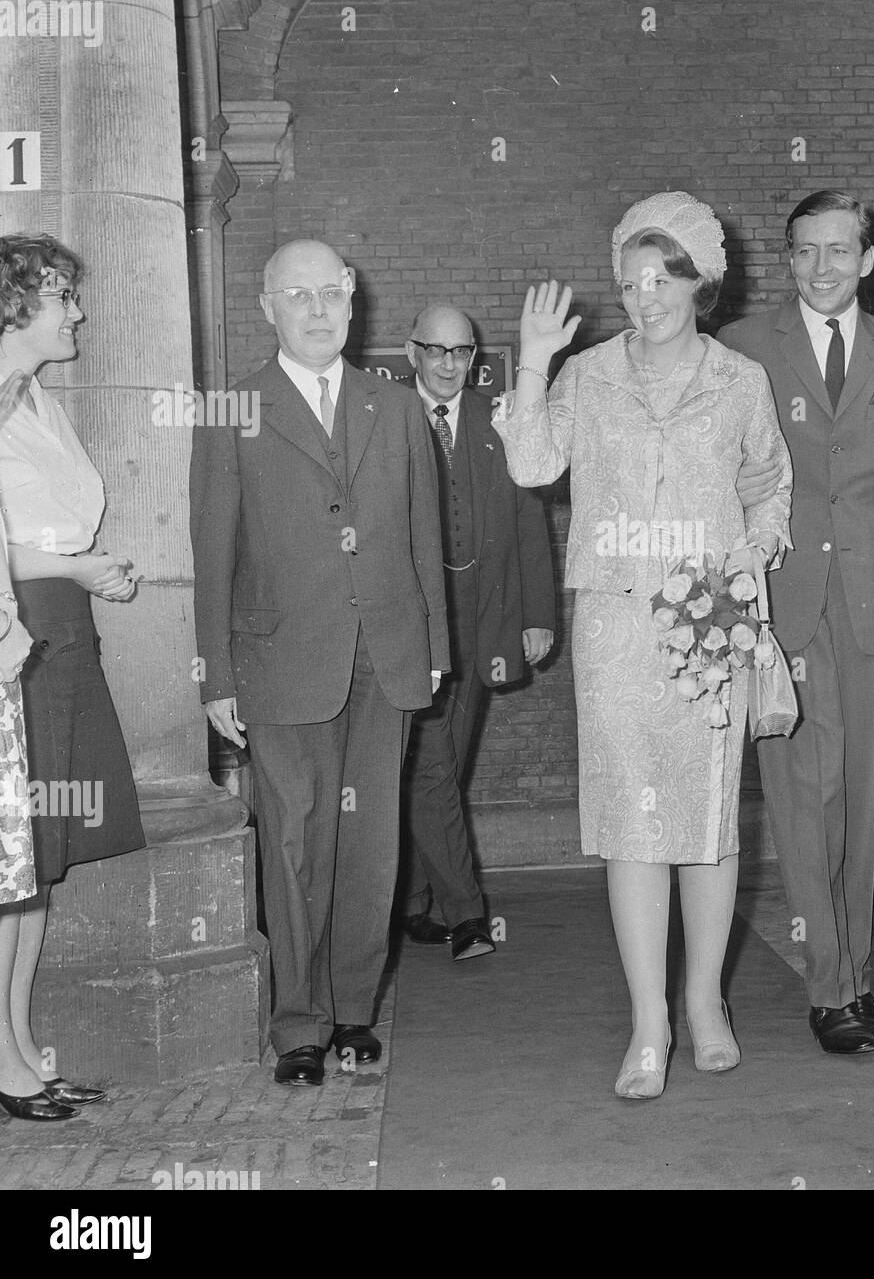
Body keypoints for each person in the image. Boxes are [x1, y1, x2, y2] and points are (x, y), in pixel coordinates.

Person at [494, 192, 792, 1098]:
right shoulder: (586, 374)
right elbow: (532, 465)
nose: (645, 296)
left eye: (662, 278)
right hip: (619, 623)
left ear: (699, 281)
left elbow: (769, 484)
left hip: (708, 616)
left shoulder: (740, 381)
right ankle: (648, 1022)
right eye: (630, 280)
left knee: (706, 821)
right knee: (632, 820)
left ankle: (705, 1002)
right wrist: (536, 365)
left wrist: (748, 560)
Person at [191, 239, 450, 1086]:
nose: (315, 309)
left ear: (352, 303)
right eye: (294, 295)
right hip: (280, 664)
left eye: (329, 294)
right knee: (295, 843)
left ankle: (351, 1012)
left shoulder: (397, 408)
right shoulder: (234, 408)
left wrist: (436, 648)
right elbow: (213, 548)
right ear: (266, 308)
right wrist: (216, 674)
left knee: (371, 845)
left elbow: (423, 538)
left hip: (387, 657)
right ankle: (296, 1023)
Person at [717, 190, 874, 1054]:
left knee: (863, 802)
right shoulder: (743, 346)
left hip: (873, 602)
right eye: (804, 251)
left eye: (838, 251)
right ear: (789, 259)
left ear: (867, 260)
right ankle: (830, 990)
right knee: (804, 799)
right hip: (783, 606)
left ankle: (856, 975)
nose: (821, 267)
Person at [0, 233, 143, 1120]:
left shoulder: (34, 398)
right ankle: (3, 1065)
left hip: (60, 627)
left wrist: (90, 567)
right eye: (62, 298)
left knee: (39, 864)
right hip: (23, 632)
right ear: (15, 305)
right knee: (10, 863)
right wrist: (73, 569)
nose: (77, 311)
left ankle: (19, 1049)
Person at [399, 303, 556, 960]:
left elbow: (529, 521)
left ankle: (412, 905)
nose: (446, 363)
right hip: (411, 630)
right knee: (432, 769)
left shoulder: (498, 429)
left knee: (440, 769)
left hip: (482, 623)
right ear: (412, 354)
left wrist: (538, 614)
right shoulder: (386, 421)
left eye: (459, 352)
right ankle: (467, 916)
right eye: (434, 350)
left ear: (474, 359)